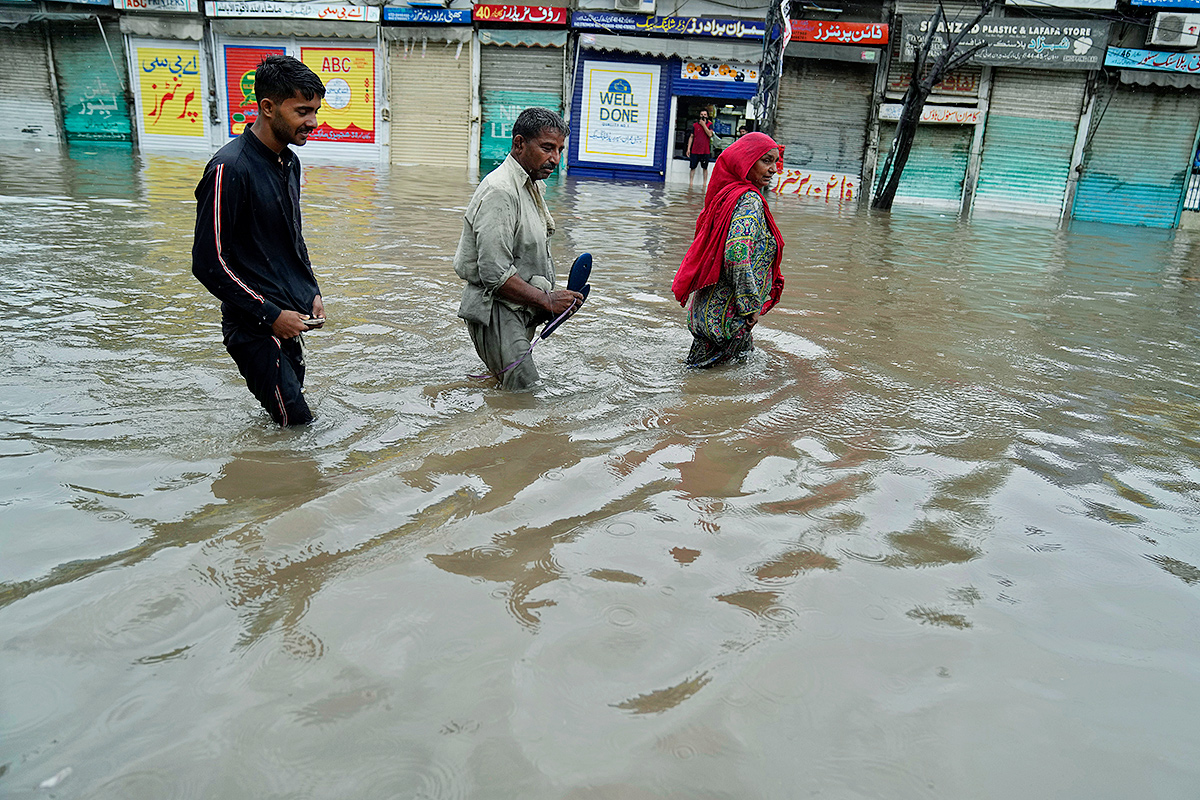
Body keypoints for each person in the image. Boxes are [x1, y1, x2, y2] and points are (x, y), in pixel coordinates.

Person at [192, 55, 326, 426]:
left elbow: (291, 239)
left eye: (315, 110)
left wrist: (310, 290)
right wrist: (271, 315)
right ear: (268, 107)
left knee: (284, 424)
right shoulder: (229, 169)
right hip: (255, 329)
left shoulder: (289, 162)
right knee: (298, 426)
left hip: (290, 320)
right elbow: (207, 262)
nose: (313, 122)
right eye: (302, 111)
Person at [454, 107, 584, 390]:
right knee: (525, 394)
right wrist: (548, 301)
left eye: (560, 150)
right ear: (519, 144)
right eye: (547, 148)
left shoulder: (532, 185)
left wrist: (553, 299)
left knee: (505, 387)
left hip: (521, 307)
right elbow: (494, 275)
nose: (555, 159)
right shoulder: (501, 191)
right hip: (498, 311)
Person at [671, 132, 786, 368]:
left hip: (706, 315)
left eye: (775, 161)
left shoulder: (724, 195)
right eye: (766, 161)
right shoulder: (748, 201)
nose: (773, 169)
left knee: (697, 380)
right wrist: (750, 304)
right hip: (729, 321)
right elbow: (736, 253)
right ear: (745, 162)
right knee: (734, 390)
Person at [685, 108, 716, 187]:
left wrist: (703, 125)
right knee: (692, 167)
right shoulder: (695, 125)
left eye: (705, 115)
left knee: (705, 168)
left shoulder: (710, 124)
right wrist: (688, 149)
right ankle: (691, 183)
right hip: (695, 150)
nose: (703, 116)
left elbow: (710, 134)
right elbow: (691, 137)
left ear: (707, 116)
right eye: (702, 115)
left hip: (705, 151)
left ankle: (704, 184)